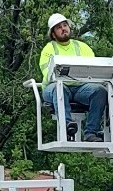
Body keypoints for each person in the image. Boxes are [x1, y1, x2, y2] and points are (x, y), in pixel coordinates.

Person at [39, 13, 107, 142]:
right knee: (59, 88)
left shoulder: (83, 47)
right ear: (53, 34)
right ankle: (67, 127)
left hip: (79, 88)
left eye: (65, 25)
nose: (63, 28)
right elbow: (48, 75)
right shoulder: (49, 49)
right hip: (53, 88)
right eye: (59, 27)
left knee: (100, 91)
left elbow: (93, 69)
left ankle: (91, 133)